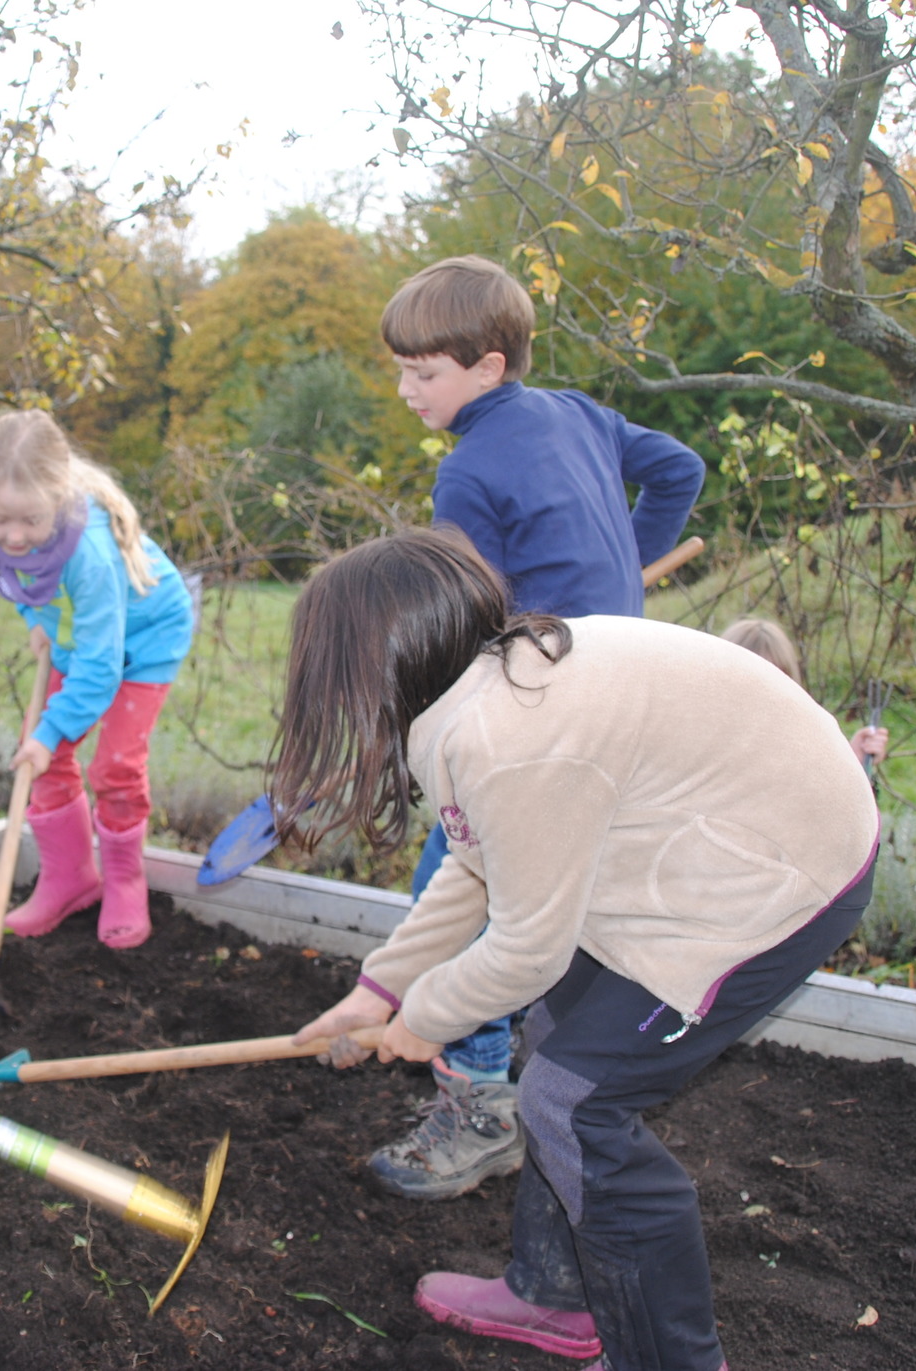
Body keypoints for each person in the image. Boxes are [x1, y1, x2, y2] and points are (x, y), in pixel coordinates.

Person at [284, 528, 877, 1371]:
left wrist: (427, 1017)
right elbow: (477, 860)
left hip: (779, 873)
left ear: (371, 672)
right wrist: (380, 989)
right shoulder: (484, 697)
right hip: (701, 840)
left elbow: (527, 950)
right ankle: (554, 1293)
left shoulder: (509, 739)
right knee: (556, 1046)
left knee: (576, 1104)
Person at [370, 254, 707, 1201]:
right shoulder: (582, 414)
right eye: (401, 369)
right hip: (621, 683)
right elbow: (680, 467)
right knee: (559, 884)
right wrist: (630, 571)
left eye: (424, 372)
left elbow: (466, 614)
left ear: (487, 366)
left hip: (543, 706)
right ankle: (547, 1056)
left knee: (462, 878)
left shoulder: (470, 473)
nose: (406, 390)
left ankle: (476, 1102)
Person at [0, 409, 194, 949]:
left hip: (145, 639)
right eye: (1, 518)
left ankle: (124, 882)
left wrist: (49, 730)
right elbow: (17, 583)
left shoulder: (90, 555)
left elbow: (100, 669)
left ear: (60, 500)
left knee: (115, 765)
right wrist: (36, 622)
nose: (13, 535)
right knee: (39, 754)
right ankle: (69, 880)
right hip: (79, 635)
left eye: (30, 522)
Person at [719, 618, 890, 769]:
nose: (763, 695)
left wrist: (853, 765)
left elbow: (823, 794)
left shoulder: (802, 743)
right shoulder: (705, 740)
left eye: (775, 680)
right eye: (752, 680)